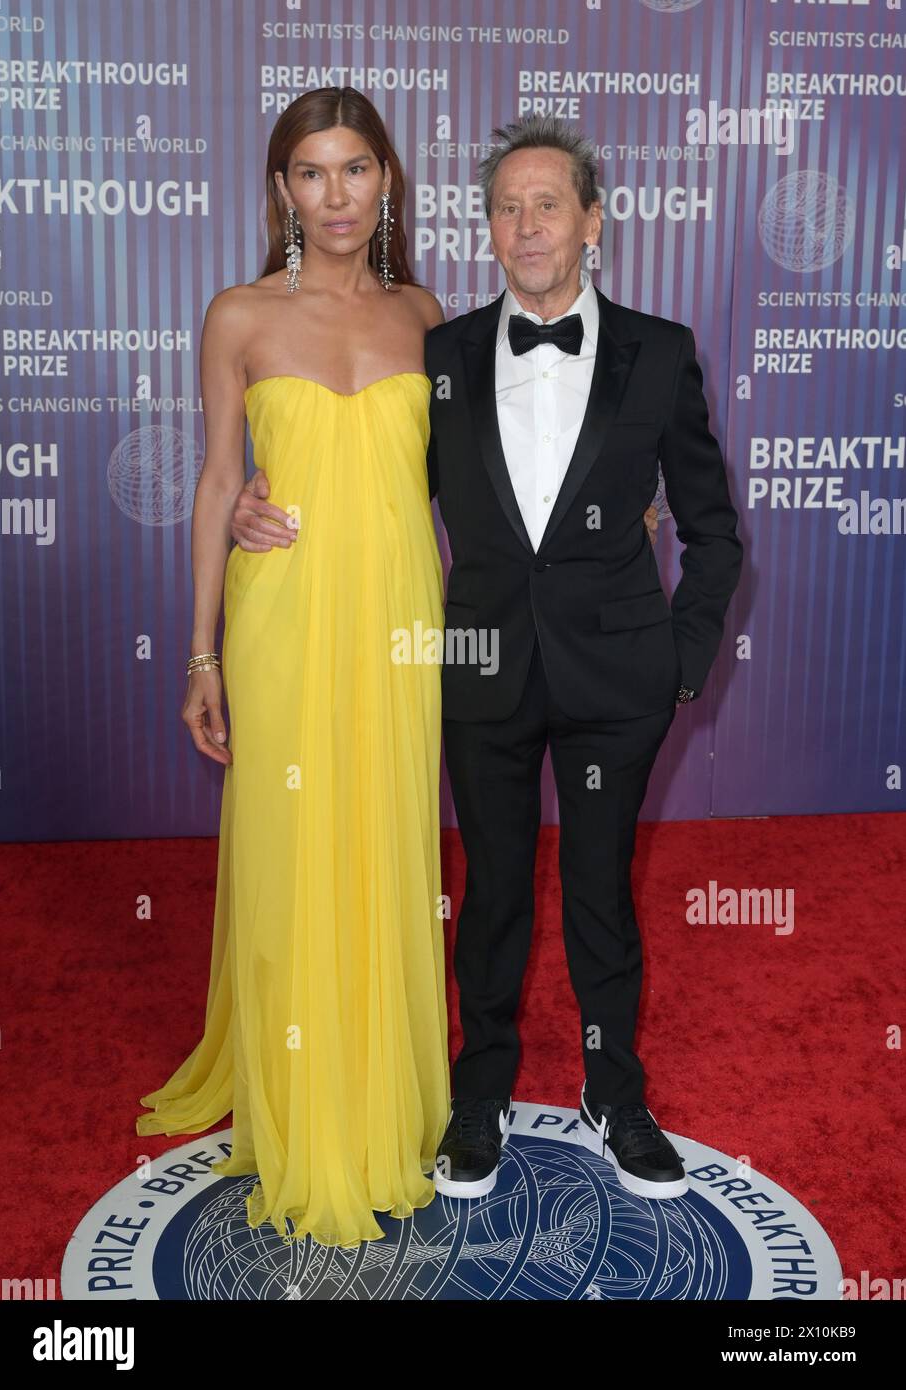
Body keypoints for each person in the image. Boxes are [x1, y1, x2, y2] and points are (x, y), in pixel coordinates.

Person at [229, 116, 693, 1209]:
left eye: (547, 205)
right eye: (504, 207)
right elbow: (375, 470)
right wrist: (259, 491)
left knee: (600, 893)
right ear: (484, 226)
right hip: (478, 665)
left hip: (609, 677)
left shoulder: (658, 350)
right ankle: (477, 1093)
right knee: (487, 895)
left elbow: (704, 517)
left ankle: (613, 1093)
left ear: (591, 220)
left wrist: (679, 656)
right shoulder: (443, 344)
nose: (525, 226)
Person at [135, 87, 451, 1248]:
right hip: (282, 616)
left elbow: (456, 485)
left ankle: (378, 1089)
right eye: (310, 173)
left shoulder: (425, 315)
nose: (335, 195)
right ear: (280, 190)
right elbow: (220, 479)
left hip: (400, 621)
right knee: (292, 847)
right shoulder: (238, 315)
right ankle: (297, 1095)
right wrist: (201, 651)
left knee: (385, 839)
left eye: (354, 168)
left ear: (386, 180)